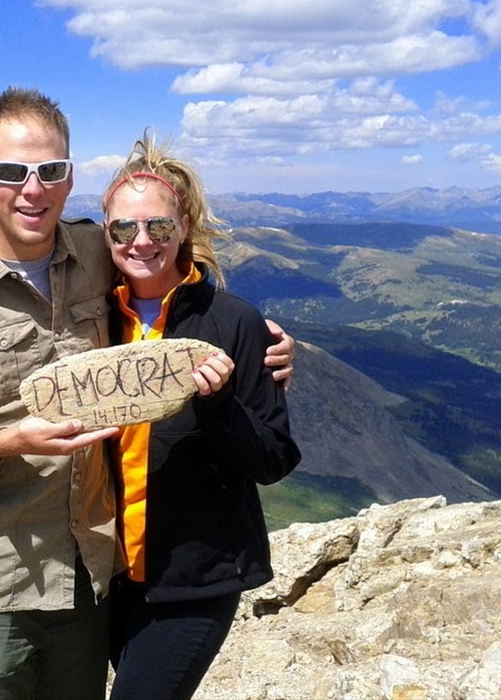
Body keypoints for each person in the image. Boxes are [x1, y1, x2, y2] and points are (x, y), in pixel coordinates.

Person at [0, 87, 296, 700]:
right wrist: (4, 440)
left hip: (87, 578)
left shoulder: (98, 253)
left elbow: (167, 268)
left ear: (69, 179)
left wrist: (266, 342)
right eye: (12, 171)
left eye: (50, 171)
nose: (32, 188)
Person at [101, 132, 302, 700]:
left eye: (159, 227)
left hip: (193, 581)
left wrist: (218, 405)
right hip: (104, 575)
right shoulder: (89, 314)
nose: (142, 241)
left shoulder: (233, 322)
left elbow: (273, 458)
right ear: (106, 233)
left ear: (183, 226)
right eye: (124, 228)